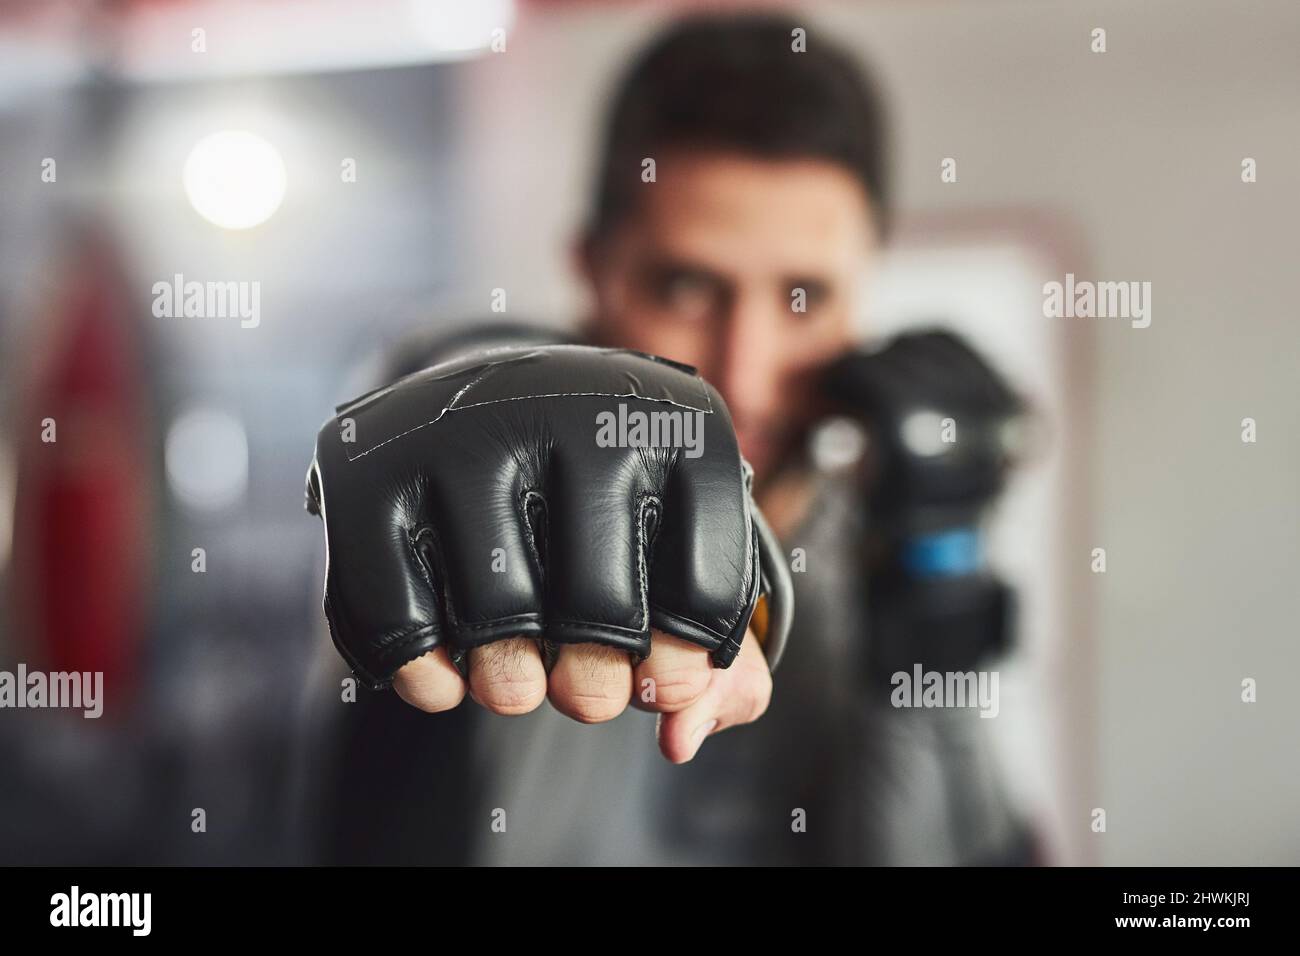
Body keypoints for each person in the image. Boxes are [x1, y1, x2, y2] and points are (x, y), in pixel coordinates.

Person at [297, 13, 1034, 866]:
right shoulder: (510, 512)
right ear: (591, 268)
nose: (745, 373)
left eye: (803, 298)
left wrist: (936, 594)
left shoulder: (873, 543)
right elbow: (451, 373)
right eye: (687, 289)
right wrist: (477, 419)